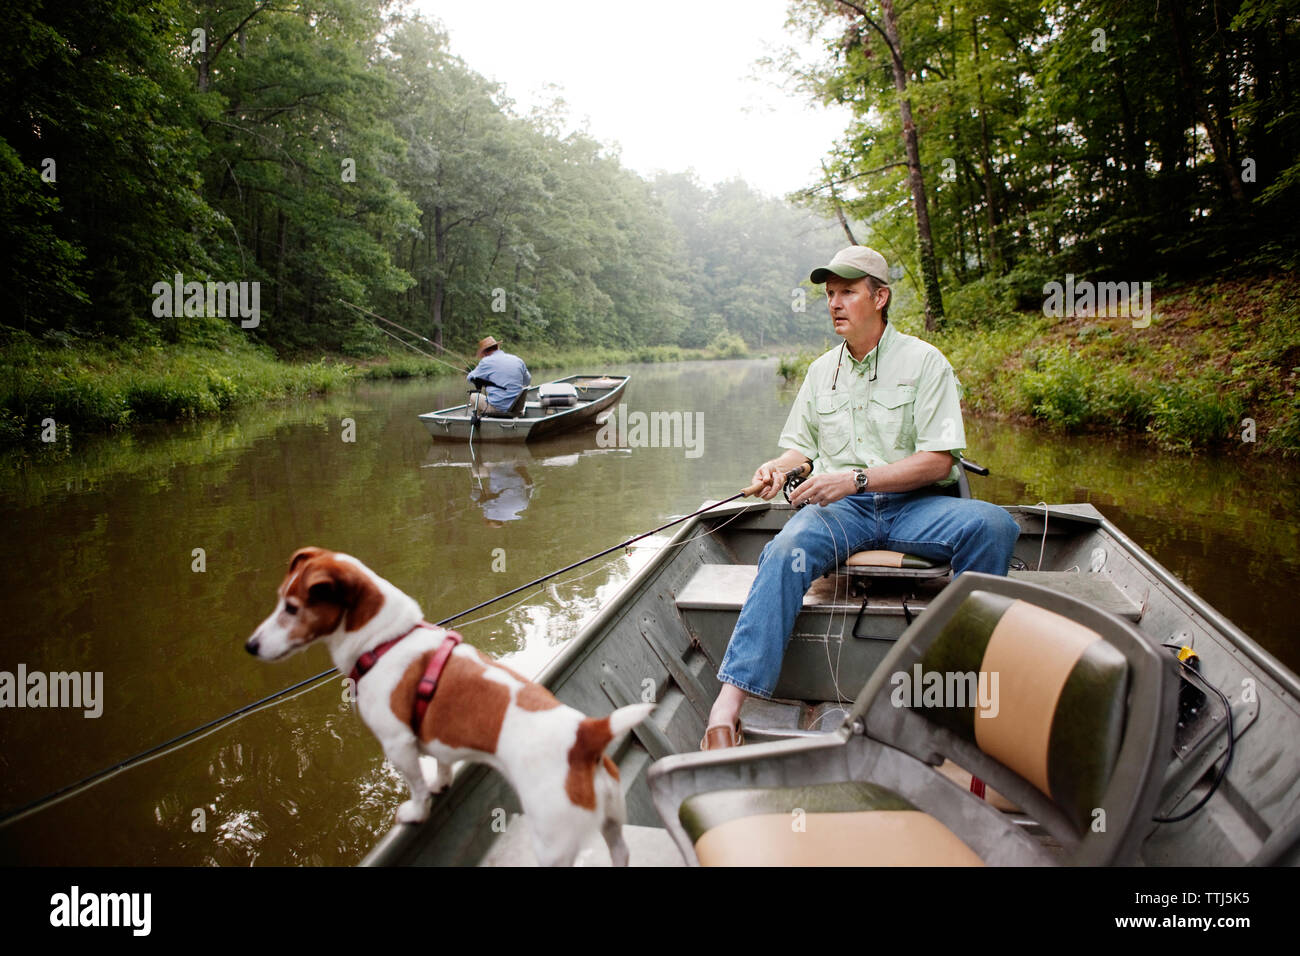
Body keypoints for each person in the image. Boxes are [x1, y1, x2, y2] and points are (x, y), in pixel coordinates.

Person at [701, 245, 1020, 750]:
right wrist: (775, 468)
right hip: (842, 514)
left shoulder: (925, 361)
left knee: (994, 526)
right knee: (783, 552)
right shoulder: (819, 371)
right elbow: (800, 450)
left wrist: (856, 479)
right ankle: (728, 705)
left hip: (917, 507)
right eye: (829, 294)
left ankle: (959, 687)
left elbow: (939, 461)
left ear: (880, 297)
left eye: (847, 291)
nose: (834, 303)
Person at [466, 335, 531, 418]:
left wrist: (479, 373)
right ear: (497, 346)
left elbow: (470, 378)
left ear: (485, 352)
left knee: (473, 396)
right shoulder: (517, 360)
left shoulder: (486, 361)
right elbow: (527, 381)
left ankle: (481, 421)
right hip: (517, 408)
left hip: (497, 409)